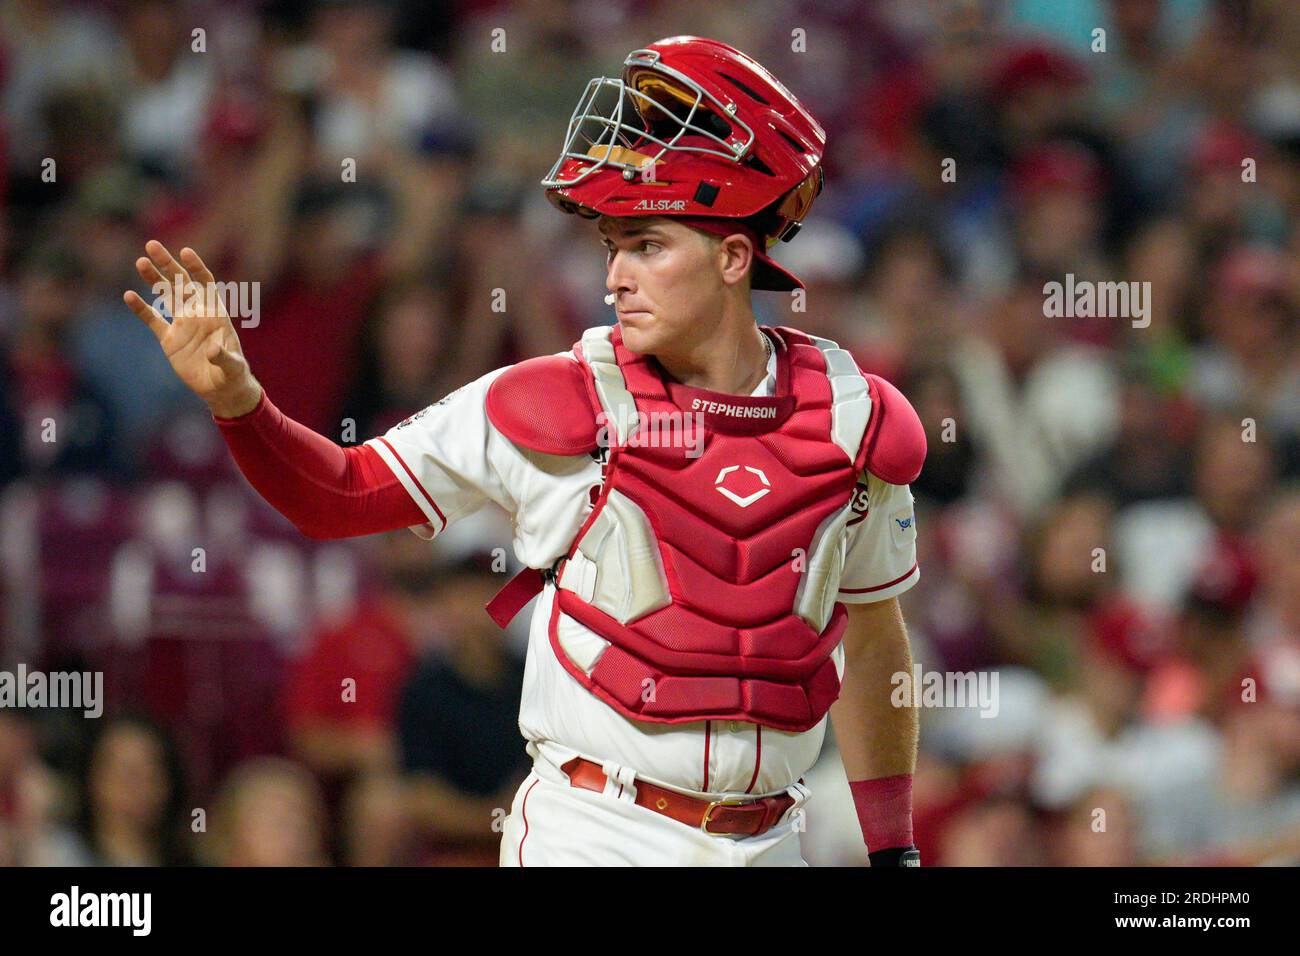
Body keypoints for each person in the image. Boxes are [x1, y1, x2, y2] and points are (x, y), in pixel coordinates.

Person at [122, 36, 926, 867]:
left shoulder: (851, 419)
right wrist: (239, 403)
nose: (616, 276)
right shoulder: (553, 400)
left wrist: (892, 847)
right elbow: (343, 494)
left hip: (772, 838)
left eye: (647, 245)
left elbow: (870, 636)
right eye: (611, 246)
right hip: (597, 831)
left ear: (732, 258)